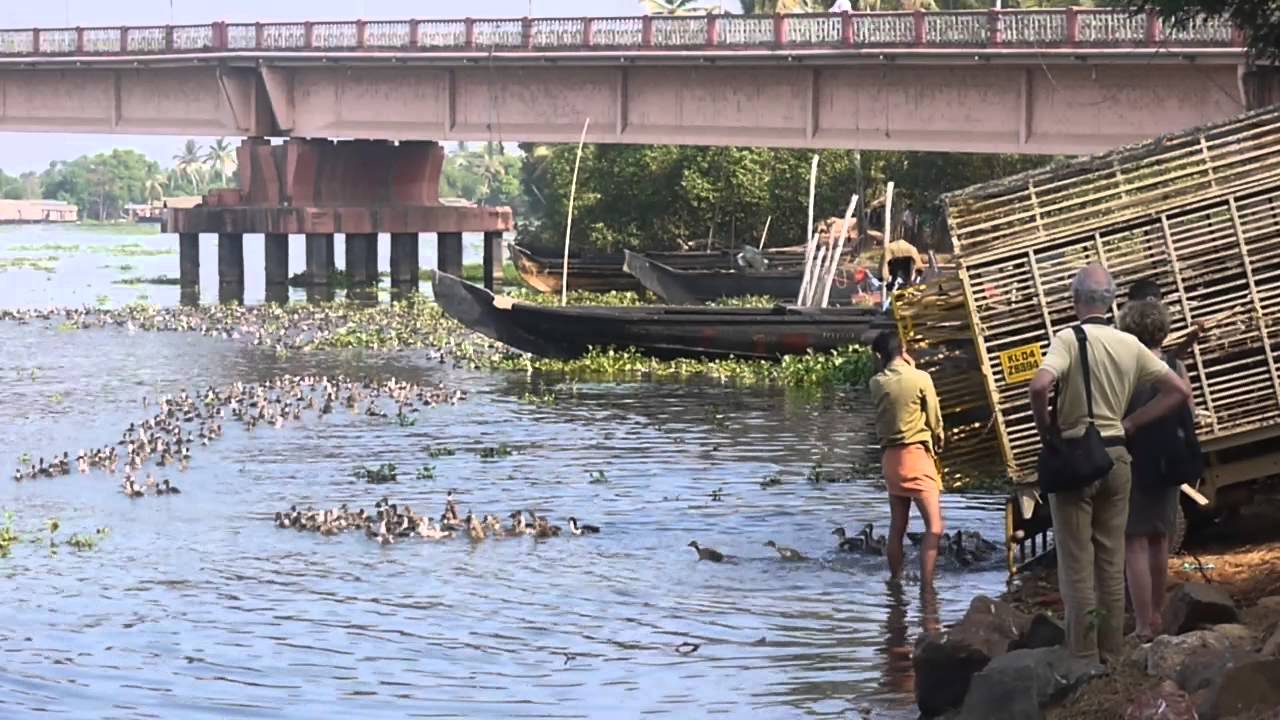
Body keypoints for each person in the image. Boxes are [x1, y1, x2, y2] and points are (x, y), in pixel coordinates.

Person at [1028, 263, 1191, 664]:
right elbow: (1178, 390)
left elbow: (1039, 385)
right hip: (1118, 457)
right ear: (1113, 301)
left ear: (1075, 300)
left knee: (1076, 562)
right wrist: (1132, 421)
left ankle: (1083, 656)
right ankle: (1114, 654)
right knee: (1112, 557)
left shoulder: (1068, 338)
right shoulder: (1128, 344)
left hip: (1076, 460)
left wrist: (1046, 428)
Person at [1118, 299, 1191, 641]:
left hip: (1136, 459)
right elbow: (1187, 411)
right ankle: (1158, 614)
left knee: (1134, 540)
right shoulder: (1176, 364)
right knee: (1161, 537)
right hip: (1170, 459)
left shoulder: (1128, 369)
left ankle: (1143, 623)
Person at [868, 330, 945, 588]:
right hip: (916, 457)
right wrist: (939, 437)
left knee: (897, 528)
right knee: (934, 527)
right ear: (903, 349)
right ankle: (927, 588)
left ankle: (896, 582)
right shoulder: (921, 378)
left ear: (880, 356)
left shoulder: (876, 382)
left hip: (891, 460)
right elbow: (934, 419)